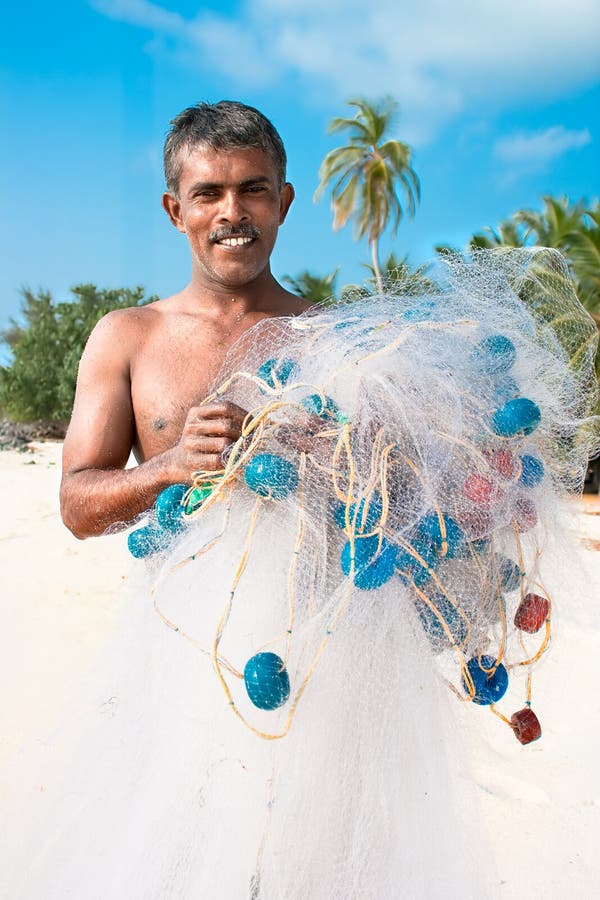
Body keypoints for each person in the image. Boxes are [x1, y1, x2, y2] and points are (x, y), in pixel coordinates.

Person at [60, 100, 309, 539]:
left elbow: (395, 486)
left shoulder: (331, 334)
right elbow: (78, 510)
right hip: (179, 606)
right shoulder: (126, 336)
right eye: (208, 194)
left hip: (313, 605)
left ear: (283, 203)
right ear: (176, 212)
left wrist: (299, 443)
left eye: (253, 189)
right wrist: (169, 468)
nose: (232, 211)